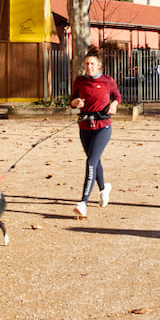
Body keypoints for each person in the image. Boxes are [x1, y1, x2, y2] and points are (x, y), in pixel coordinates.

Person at [68, 51, 121, 219]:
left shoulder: (108, 81)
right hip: (84, 126)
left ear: (99, 65)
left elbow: (118, 96)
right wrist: (75, 103)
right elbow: (72, 101)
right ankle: (104, 188)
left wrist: (114, 103)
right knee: (94, 160)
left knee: (90, 162)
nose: (88, 67)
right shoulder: (80, 81)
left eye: (92, 64)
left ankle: (83, 202)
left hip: (103, 126)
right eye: (86, 64)